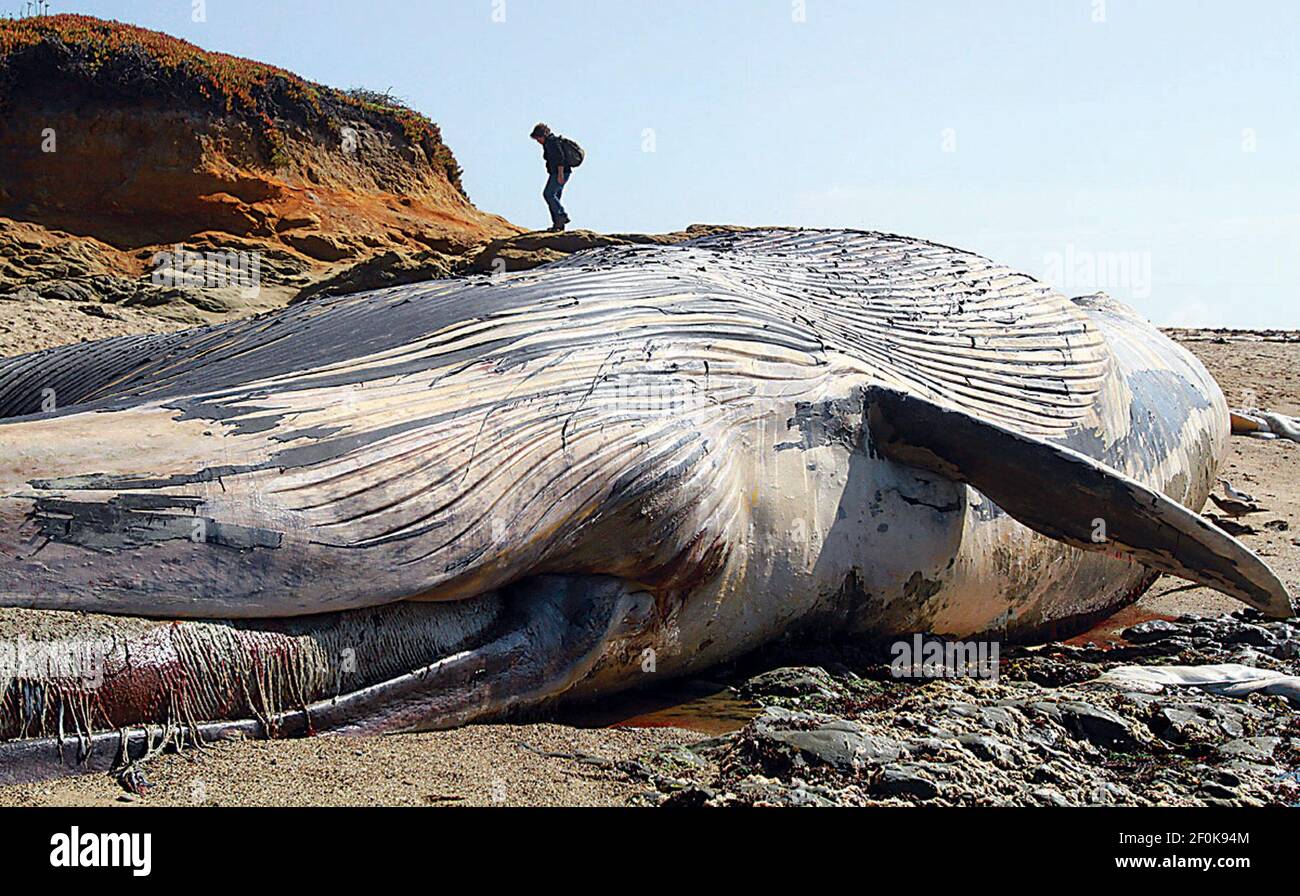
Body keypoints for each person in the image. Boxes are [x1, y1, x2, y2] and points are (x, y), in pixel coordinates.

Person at [530, 123, 572, 232]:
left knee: (548, 194)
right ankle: (558, 225)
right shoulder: (549, 142)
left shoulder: (552, 142)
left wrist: (560, 174)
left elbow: (560, 158)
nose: (538, 141)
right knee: (555, 197)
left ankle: (562, 216)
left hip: (560, 172)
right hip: (558, 173)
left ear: (542, 135)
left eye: (538, 138)